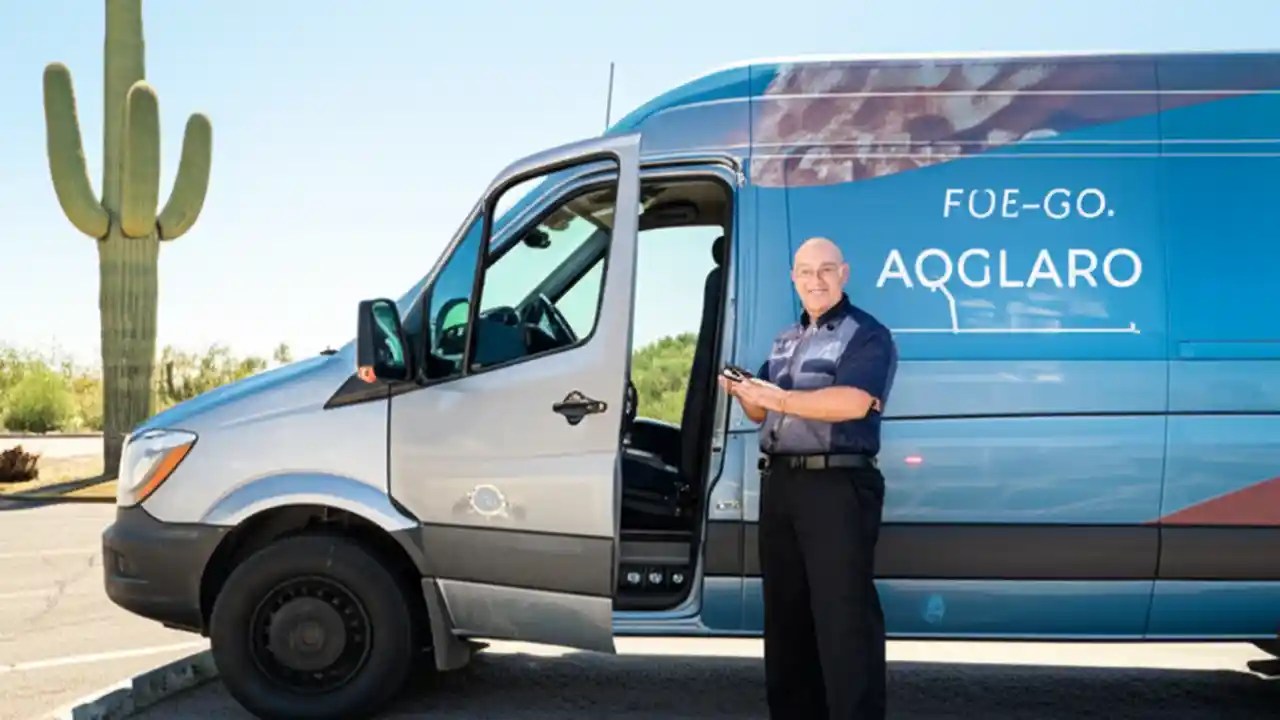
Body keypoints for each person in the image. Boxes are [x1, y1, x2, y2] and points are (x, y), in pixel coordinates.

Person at [720, 235, 898, 720]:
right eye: (805, 271)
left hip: (836, 488)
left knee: (844, 624)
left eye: (825, 270)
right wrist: (743, 391)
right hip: (782, 488)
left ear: (843, 274)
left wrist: (777, 398)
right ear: (793, 279)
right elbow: (761, 414)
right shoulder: (786, 340)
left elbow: (853, 401)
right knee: (786, 623)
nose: (815, 280)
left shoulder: (867, 335)